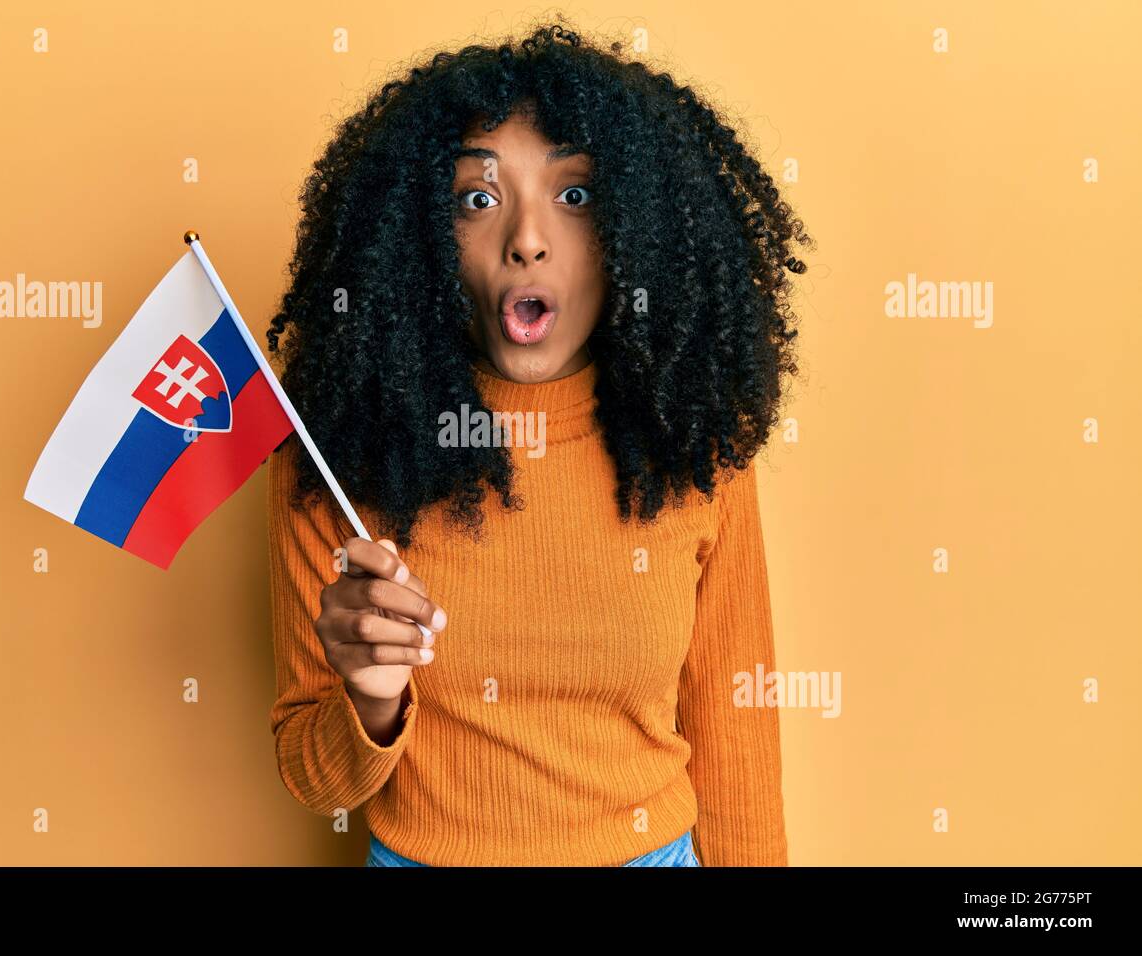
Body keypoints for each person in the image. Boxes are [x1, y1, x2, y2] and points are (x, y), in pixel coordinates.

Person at [264, 20, 811, 867]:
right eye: (477, 200)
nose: (527, 236)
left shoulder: (692, 436)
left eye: (575, 195)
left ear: (639, 230)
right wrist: (369, 703)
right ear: (415, 240)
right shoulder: (338, 446)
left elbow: (736, 736)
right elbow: (314, 779)